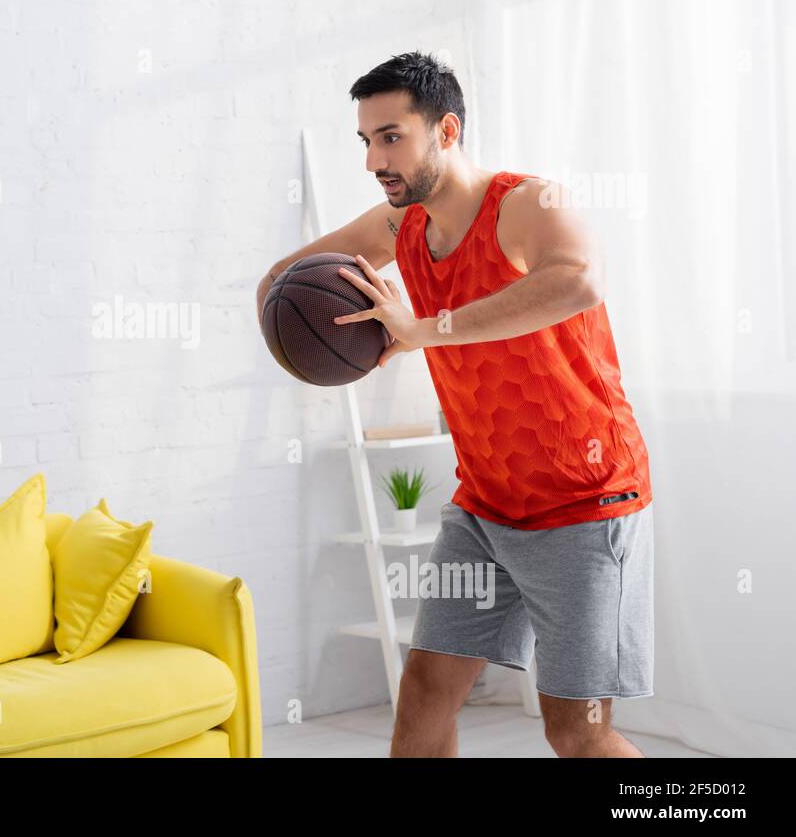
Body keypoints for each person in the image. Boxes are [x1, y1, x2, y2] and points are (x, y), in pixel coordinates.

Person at [256, 51, 654, 757]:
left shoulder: (528, 203)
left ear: (445, 130)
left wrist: (423, 330)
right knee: (426, 690)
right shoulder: (397, 226)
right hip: (488, 507)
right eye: (366, 140)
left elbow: (581, 280)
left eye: (391, 136)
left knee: (577, 732)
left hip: (585, 503)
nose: (375, 158)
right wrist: (285, 312)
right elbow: (282, 279)